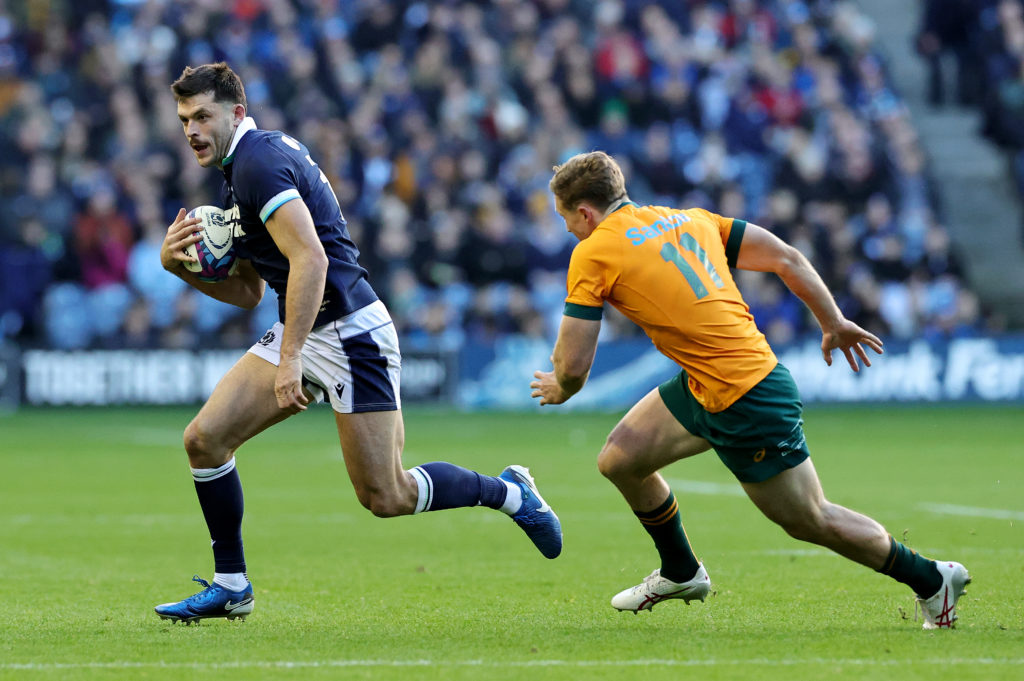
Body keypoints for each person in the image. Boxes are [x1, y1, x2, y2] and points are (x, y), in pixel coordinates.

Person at [155, 62, 561, 624]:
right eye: (184, 119)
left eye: (202, 116)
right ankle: (231, 585)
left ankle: (509, 492)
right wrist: (177, 267)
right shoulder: (240, 169)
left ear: (237, 113)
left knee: (386, 495)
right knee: (204, 440)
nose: (192, 130)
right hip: (308, 324)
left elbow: (312, 259)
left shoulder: (257, 164)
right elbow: (249, 292)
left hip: (349, 331)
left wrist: (290, 359)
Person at [530, 151, 968, 629]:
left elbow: (574, 367)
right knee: (620, 459)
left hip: (746, 395)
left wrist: (561, 387)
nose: (568, 229)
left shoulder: (593, 251)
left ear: (586, 213)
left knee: (808, 518)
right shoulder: (691, 218)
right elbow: (786, 257)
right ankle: (682, 572)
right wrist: (833, 321)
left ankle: (931, 578)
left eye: (566, 218)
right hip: (706, 381)